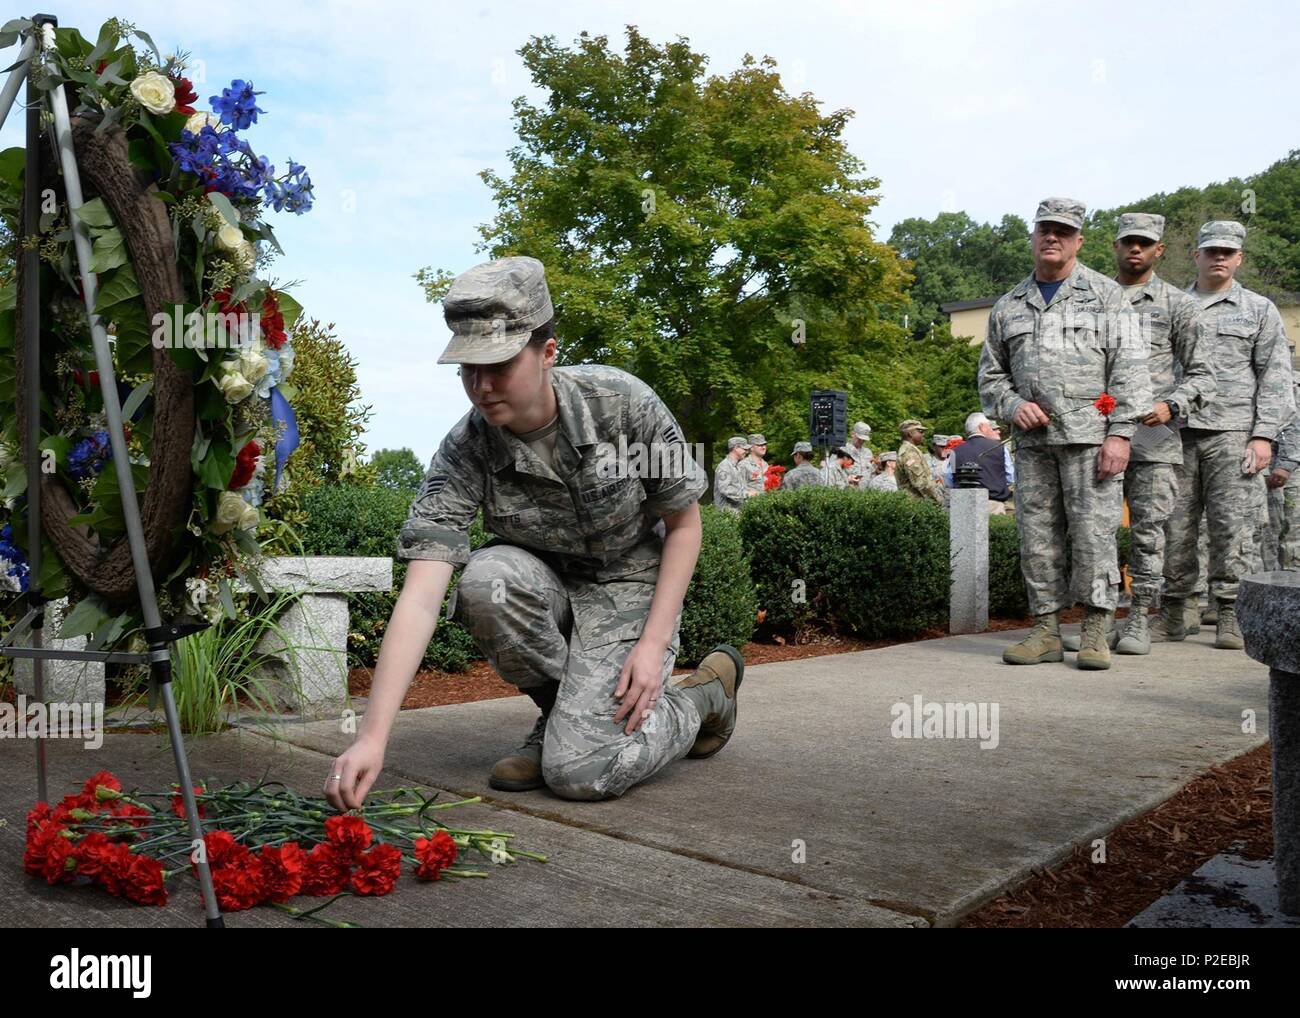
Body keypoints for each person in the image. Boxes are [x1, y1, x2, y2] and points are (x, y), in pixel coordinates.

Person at [323, 256, 744, 807]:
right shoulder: (464, 450)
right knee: (484, 580)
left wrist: (652, 642)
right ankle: (565, 718)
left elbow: (684, 525)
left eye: (498, 364)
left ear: (547, 353)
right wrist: (371, 739)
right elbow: (423, 595)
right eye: (467, 368)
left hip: (631, 583)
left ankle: (700, 698)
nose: (481, 385)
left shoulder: (622, 405)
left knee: (580, 774)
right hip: (543, 584)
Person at [978, 196, 1150, 671]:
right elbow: (991, 377)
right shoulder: (1009, 305)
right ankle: (1046, 630)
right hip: (1034, 446)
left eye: (1063, 232)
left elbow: (1130, 372)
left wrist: (1119, 434)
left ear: (1078, 240)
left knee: (1094, 536)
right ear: (1033, 237)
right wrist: (1013, 405)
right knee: (1037, 538)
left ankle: (1095, 629)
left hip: (1091, 441)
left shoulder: (1107, 296)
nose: (1052, 237)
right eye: (1044, 230)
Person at [1161, 221, 1296, 650]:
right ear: (1197, 255)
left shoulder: (1258, 309)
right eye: (1211, 250)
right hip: (1173, 433)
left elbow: (1275, 377)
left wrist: (1264, 436)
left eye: (1228, 252)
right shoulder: (1172, 305)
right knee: (1175, 526)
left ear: (1239, 258)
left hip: (1233, 433)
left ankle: (1231, 612)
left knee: (1234, 528)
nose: (1219, 257)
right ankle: (1176, 610)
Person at [1105, 213, 1216, 655]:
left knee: (1149, 531)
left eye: (1144, 243)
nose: (1136, 249)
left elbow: (1204, 375)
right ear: (1115, 246)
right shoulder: (1093, 298)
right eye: (1128, 241)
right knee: (1095, 533)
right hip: (1098, 435)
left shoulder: (1177, 304)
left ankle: (1139, 620)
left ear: (1159, 250)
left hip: (1154, 439)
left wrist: (1172, 404)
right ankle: (1099, 619)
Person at [946, 412, 1014, 514]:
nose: (992, 428)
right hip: (992, 504)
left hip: (963, 504)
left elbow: (949, 480)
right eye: (989, 426)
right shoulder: (999, 448)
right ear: (982, 427)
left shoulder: (954, 452)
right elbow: (1010, 477)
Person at [1273, 374, 1300, 568]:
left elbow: (1295, 422)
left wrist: (1286, 462)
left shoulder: (1288, 381)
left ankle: (1290, 577)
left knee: (1289, 529)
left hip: (1285, 468)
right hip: (1254, 466)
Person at [896, 420, 946, 507]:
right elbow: (921, 483)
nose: (923, 435)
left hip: (917, 503)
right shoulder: (910, 453)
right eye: (920, 432)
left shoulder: (911, 450)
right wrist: (938, 500)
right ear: (910, 434)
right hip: (916, 505)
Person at [714, 436, 751, 513]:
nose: (746, 452)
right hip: (727, 515)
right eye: (744, 449)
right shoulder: (724, 466)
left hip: (737, 513)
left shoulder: (737, 466)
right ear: (736, 448)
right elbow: (725, 489)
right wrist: (747, 494)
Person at [845, 422, 875, 487]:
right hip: (847, 492)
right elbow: (832, 473)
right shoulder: (842, 451)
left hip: (865, 493)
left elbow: (872, 473)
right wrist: (847, 479)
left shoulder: (868, 453)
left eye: (864, 440)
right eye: (859, 439)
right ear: (852, 434)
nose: (861, 441)